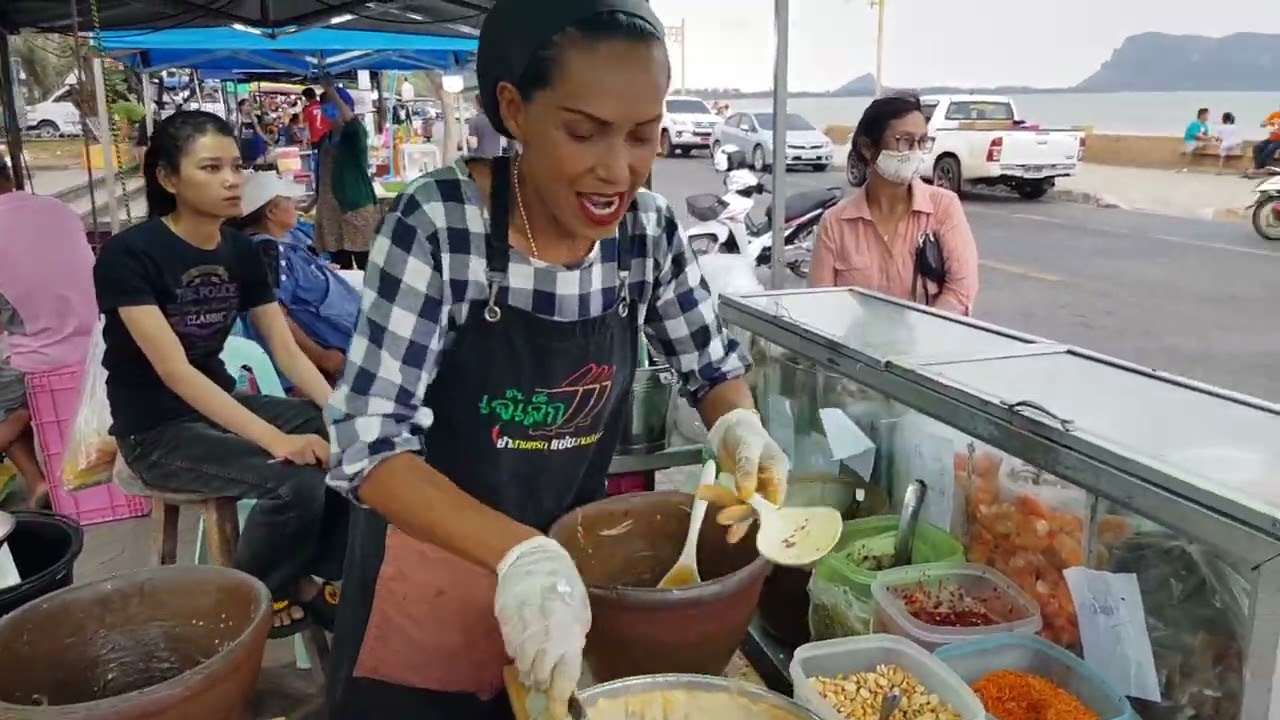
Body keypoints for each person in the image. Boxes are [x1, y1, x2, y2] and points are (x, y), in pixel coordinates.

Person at [323, 1, 790, 717]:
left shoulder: (646, 231)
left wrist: (739, 427)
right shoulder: (442, 225)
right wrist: (520, 556)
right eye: (583, 131)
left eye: (643, 135)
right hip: (430, 578)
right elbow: (368, 446)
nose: (618, 170)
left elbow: (711, 368)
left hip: (574, 578)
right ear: (513, 109)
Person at [93, 110, 347, 637]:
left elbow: (286, 349)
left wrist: (340, 413)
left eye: (236, 166)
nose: (233, 180)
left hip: (220, 406)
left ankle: (326, 573)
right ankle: (249, 601)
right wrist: (278, 439)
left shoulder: (240, 250)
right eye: (211, 168)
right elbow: (175, 371)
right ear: (167, 177)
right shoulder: (129, 255)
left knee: (350, 444)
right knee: (292, 481)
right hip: (156, 430)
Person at [810, 93, 979, 315]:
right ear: (867, 148)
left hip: (928, 343)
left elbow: (961, 291)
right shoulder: (835, 223)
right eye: (905, 141)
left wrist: (917, 337)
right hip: (855, 344)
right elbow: (820, 304)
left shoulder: (944, 207)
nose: (916, 152)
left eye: (922, 142)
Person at [232, 171, 358, 384]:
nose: (295, 207)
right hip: (335, 361)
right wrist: (322, 357)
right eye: (289, 201)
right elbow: (272, 318)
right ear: (271, 212)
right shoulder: (266, 251)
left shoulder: (281, 242)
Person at [313, 81, 379, 271]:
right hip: (329, 209)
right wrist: (314, 200)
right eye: (326, 104)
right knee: (338, 263)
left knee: (365, 261)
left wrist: (331, 91)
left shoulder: (354, 135)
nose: (329, 108)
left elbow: (353, 124)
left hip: (355, 205)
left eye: (335, 103)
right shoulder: (325, 139)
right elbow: (322, 172)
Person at [236, 98, 273, 165]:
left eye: (250, 106)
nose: (249, 108)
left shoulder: (253, 118)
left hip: (255, 143)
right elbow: (236, 133)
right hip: (244, 144)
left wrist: (266, 139)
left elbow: (258, 129)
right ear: (241, 107)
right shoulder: (237, 118)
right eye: (247, 106)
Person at [466, 93, 504, 158]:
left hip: (480, 159)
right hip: (496, 157)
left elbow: (473, 144)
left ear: (477, 104)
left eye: (473, 102)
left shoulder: (474, 121)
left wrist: (467, 140)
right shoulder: (496, 119)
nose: (472, 105)